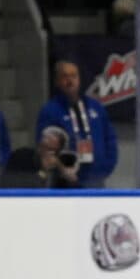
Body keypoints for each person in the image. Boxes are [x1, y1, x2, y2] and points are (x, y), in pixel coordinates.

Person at [34, 59, 118, 188]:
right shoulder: (50, 111)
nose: (70, 81)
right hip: (64, 183)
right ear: (57, 81)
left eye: (74, 76)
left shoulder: (95, 107)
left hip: (95, 180)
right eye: (65, 76)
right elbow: (45, 148)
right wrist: (62, 169)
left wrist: (105, 167)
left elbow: (110, 139)